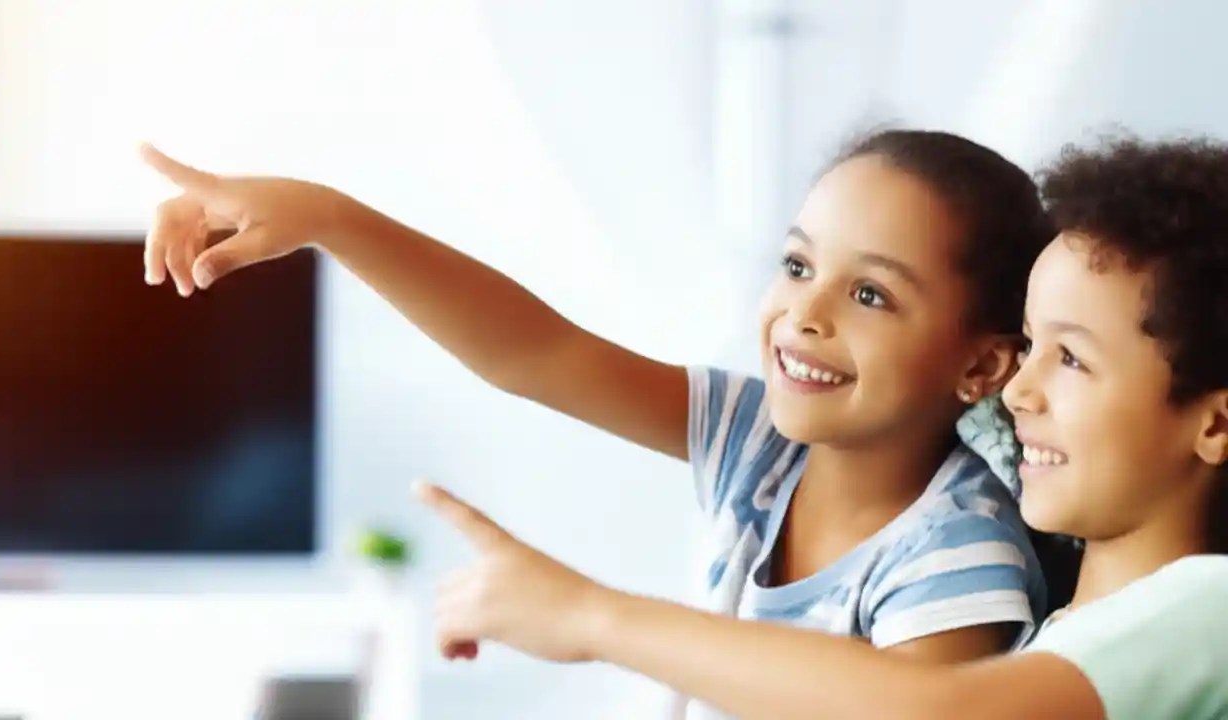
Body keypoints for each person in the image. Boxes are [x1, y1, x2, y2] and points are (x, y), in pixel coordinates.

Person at [139, 130, 1054, 711]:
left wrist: (586, 615)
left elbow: (917, 709)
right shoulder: (759, 443)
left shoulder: (957, 553)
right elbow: (534, 354)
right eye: (798, 264)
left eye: (869, 293)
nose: (805, 314)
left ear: (980, 366)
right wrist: (328, 219)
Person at [414, 135, 1228, 719]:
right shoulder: (1069, 630)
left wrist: (588, 616)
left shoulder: (1207, 606)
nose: (1019, 393)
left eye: (1073, 361)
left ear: (1216, 421)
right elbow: (537, 355)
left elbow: (937, 711)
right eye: (1032, 350)